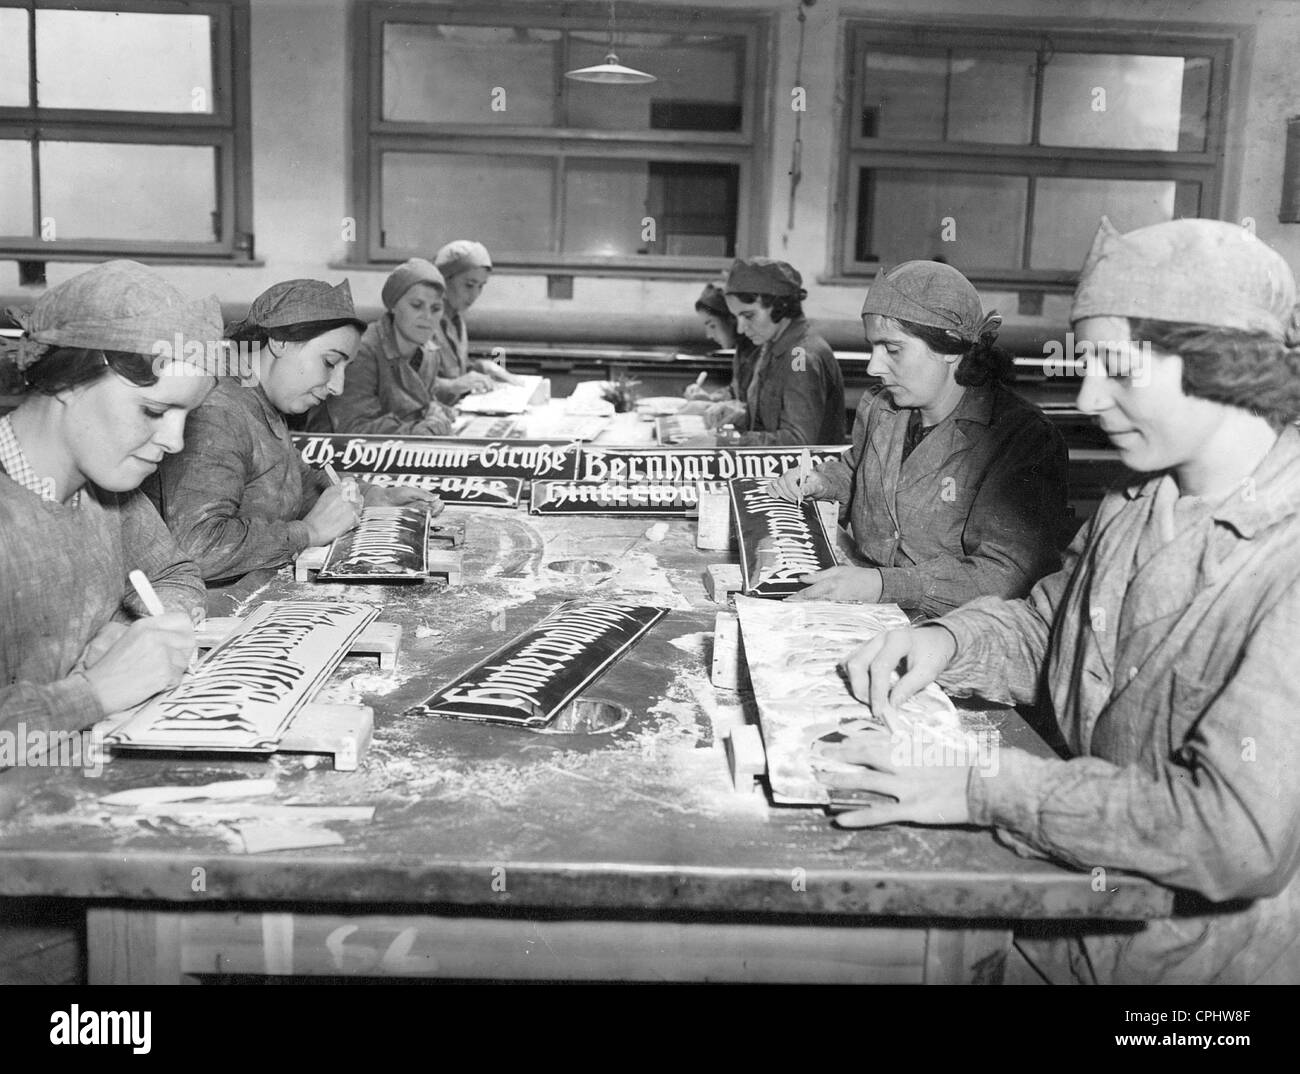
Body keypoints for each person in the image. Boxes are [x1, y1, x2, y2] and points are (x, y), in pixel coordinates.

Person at [830, 218, 1300, 984]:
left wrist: (982, 786)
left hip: (1193, 977)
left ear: (1223, 363)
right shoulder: (1141, 497)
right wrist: (949, 642)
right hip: (1069, 923)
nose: (1087, 396)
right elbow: (1054, 623)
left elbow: (1234, 833)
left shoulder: (1287, 559)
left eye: (1118, 369)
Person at [769, 260, 1069, 618]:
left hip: (953, 632)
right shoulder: (882, 408)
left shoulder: (1021, 439)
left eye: (892, 349)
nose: (873, 367)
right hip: (870, 610)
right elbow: (857, 470)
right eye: (873, 347)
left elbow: (1007, 575)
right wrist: (821, 482)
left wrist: (884, 585)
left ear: (952, 348)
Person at [0, 260, 220, 743]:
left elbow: (175, 573)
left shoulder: (105, 491)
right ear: (70, 381)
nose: (176, 441)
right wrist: (92, 693)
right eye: (154, 410)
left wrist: (129, 630)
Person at [149, 278, 442, 604]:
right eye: (330, 363)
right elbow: (199, 547)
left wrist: (375, 497)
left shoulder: (255, 393)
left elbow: (289, 479)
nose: (338, 387)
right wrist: (309, 533)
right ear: (280, 342)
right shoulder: (220, 409)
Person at [704, 257, 845, 446]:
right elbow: (772, 421)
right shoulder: (774, 344)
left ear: (779, 308)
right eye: (737, 317)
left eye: (748, 316)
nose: (740, 329)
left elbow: (798, 442)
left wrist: (725, 441)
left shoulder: (800, 355)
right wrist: (740, 419)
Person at [323, 258, 460, 435]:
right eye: (416, 305)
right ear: (393, 305)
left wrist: (437, 411)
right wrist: (414, 431)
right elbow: (353, 429)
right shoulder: (361, 351)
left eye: (436, 308)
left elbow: (423, 402)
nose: (427, 316)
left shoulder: (430, 352)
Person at [430, 239, 522, 403]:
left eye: (481, 286)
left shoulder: (456, 320)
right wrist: (451, 386)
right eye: (469, 285)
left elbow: (455, 372)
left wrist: (481, 367)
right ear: (443, 280)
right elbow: (406, 385)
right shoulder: (422, 322)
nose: (475, 295)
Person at [682, 282, 759, 406]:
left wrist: (729, 410)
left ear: (732, 319)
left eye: (712, 325)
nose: (709, 335)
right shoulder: (743, 349)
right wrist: (710, 398)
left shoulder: (760, 351)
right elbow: (735, 391)